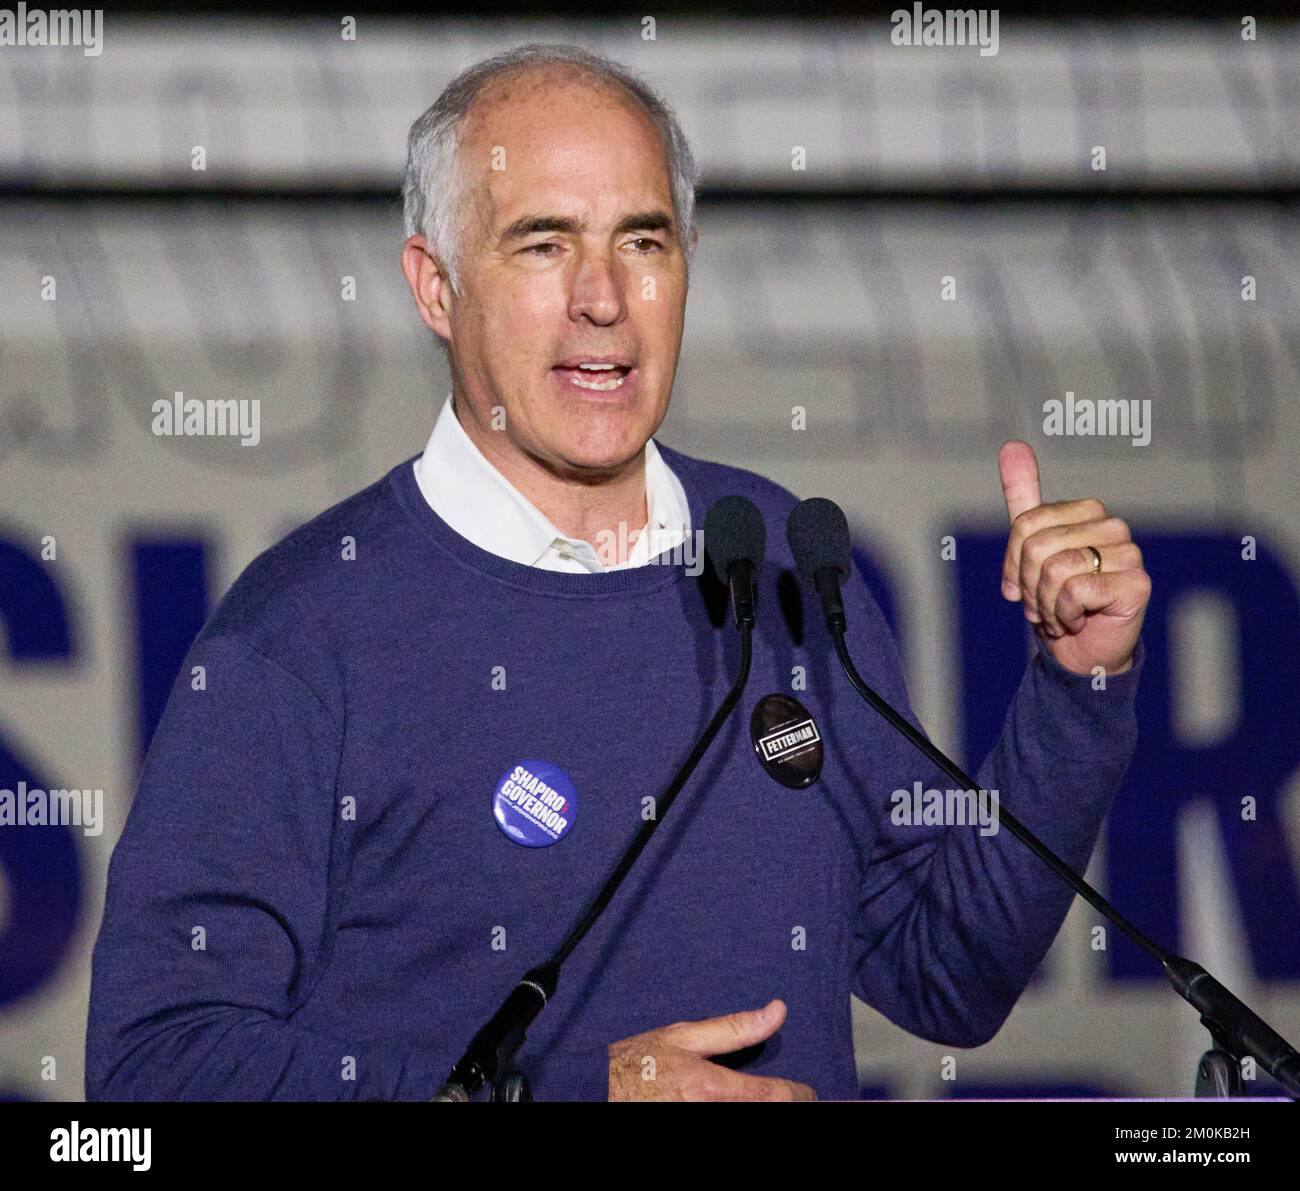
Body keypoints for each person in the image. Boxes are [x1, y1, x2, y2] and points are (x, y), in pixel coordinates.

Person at [86, 43, 1151, 1102]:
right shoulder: (301, 634)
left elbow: (946, 975)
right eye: (542, 245)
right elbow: (153, 1073)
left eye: (641, 241)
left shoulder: (778, 562)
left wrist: (1079, 684)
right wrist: (555, 1095)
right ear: (435, 288)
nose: (602, 298)